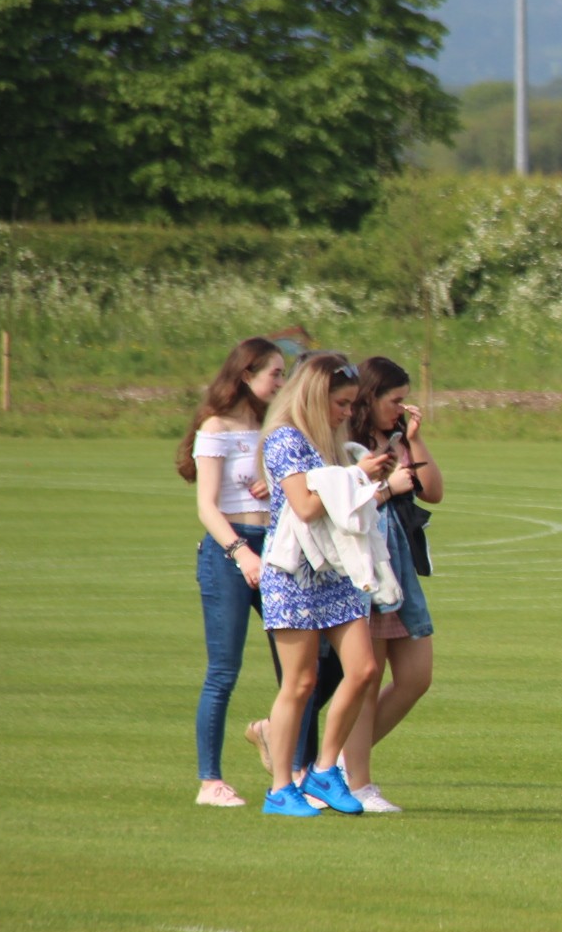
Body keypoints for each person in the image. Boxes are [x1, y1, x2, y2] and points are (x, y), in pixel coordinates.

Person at [256, 353, 393, 817]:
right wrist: (359, 475)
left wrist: (362, 476)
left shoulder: (328, 440)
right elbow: (306, 505)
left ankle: (324, 769)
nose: (347, 413)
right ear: (316, 397)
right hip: (291, 574)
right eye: (341, 403)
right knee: (301, 682)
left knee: (365, 669)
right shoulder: (284, 439)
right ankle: (280, 790)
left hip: (332, 571)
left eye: (351, 404)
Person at [178, 337, 287, 807]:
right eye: (275, 375)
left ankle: (293, 767)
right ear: (247, 375)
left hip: (278, 549)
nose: (282, 383)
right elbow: (207, 506)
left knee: (300, 668)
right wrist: (242, 553)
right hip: (230, 553)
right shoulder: (216, 427)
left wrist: (275, 484)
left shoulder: (274, 426)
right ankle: (210, 782)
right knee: (224, 669)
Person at [337, 356, 442, 814]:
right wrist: (390, 487)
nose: (401, 409)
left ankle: (334, 760)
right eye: (394, 400)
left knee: (416, 677)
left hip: (398, 569)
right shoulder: (347, 444)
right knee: (367, 675)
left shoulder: (397, 441)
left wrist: (414, 442)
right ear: (370, 397)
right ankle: (358, 784)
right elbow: (343, 505)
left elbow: (433, 490)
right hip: (365, 567)